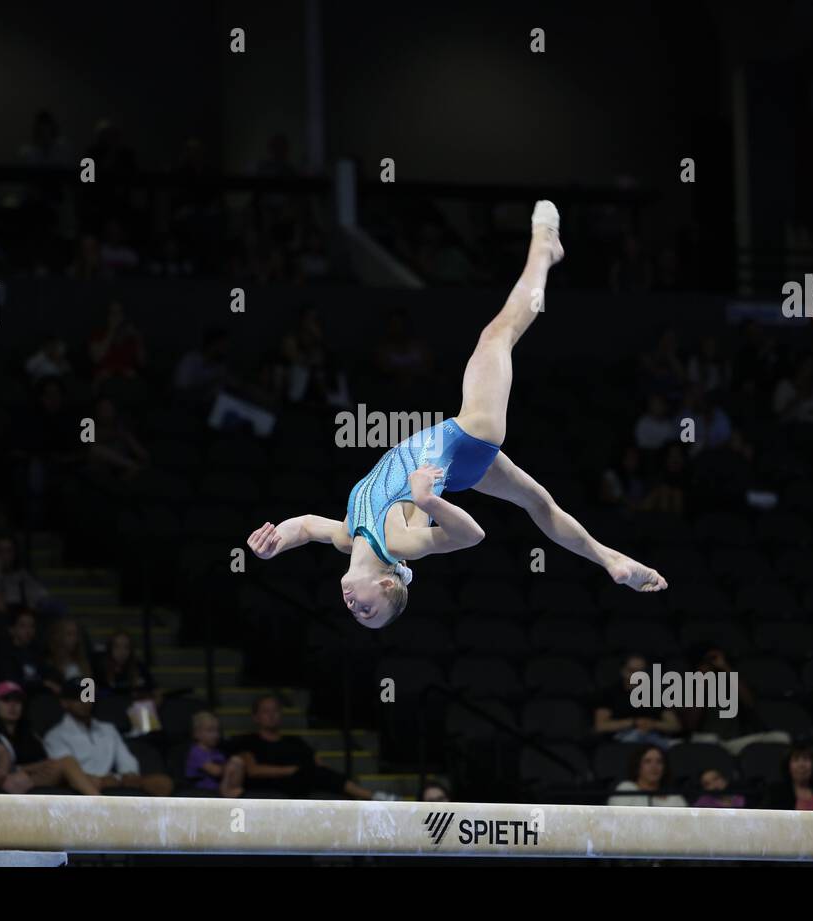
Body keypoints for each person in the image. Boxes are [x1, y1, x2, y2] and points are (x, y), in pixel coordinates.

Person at [245, 203, 665, 629]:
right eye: (369, 611)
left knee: (540, 504)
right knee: (498, 334)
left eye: (356, 614)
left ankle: (611, 559)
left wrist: (276, 542)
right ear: (388, 586)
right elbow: (471, 536)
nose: (355, 608)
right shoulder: (399, 543)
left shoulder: (347, 535)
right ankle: (543, 249)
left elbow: (305, 527)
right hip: (469, 435)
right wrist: (428, 501)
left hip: (461, 465)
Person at [224, 695, 388, 799]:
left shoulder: (295, 741)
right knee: (313, 773)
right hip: (271, 783)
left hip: (302, 782)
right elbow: (254, 771)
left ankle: (367, 799)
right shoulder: (247, 741)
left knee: (323, 777)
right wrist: (293, 770)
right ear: (256, 717)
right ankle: (372, 796)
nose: (272, 715)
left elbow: (318, 764)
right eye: (266, 711)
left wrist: (308, 772)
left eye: (276, 710)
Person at [43, 678, 173, 797]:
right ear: (64, 702)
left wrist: (128, 774)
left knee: (163, 783)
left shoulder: (107, 728)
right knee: (90, 782)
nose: (85, 702)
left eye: (88, 696)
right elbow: (67, 773)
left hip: (114, 780)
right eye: (79, 698)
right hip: (84, 785)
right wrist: (104, 780)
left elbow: (126, 761)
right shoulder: (55, 735)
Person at [0, 681, 99, 795]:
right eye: (6, 699)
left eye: (18, 700)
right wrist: (34, 767)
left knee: (89, 779)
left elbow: (45, 762)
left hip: (36, 777)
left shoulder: (29, 733)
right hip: (12, 780)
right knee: (67, 762)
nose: (12, 706)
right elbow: (0, 771)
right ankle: (101, 805)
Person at [593, 653, 681, 749]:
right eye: (631, 671)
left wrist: (652, 724)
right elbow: (600, 726)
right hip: (622, 741)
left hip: (653, 739)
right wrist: (634, 722)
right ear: (623, 671)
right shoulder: (609, 694)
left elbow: (675, 725)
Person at [0, 533, 51, 613]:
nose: (4, 555)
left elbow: (41, 595)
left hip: (21, 614)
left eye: (8, 551)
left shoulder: (22, 574)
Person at [184, 711, 245, 797]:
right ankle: (226, 791)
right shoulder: (196, 752)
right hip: (201, 790)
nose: (216, 735)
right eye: (210, 730)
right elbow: (216, 771)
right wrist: (231, 766)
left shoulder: (217, 752)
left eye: (217, 730)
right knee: (235, 762)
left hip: (218, 788)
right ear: (196, 733)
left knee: (237, 761)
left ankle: (230, 789)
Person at [608, 745, 687, 807]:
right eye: (647, 761)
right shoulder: (626, 789)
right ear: (637, 766)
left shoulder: (675, 798)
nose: (654, 766)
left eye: (659, 762)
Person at [88, 300, 146, 384]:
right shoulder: (98, 334)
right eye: (113, 313)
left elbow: (142, 362)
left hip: (127, 381)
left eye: (119, 312)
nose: (116, 316)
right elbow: (96, 358)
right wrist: (111, 330)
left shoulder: (130, 335)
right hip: (105, 380)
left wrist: (138, 338)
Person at [766, 746, 813, 811]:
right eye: (796, 759)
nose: (801, 765)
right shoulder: (776, 793)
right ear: (788, 765)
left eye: (806, 759)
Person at [0, 607, 49, 695]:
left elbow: (47, 673)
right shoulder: (3, 653)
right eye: (23, 626)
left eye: (32, 626)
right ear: (11, 629)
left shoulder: (37, 652)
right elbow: (10, 682)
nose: (28, 630)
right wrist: (42, 684)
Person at [95, 631, 155, 699]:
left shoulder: (139, 667)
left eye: (126, 647)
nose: (122, 651)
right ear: (110, 648)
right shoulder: (101, 669)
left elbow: (154, 690)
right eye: (117, 646)